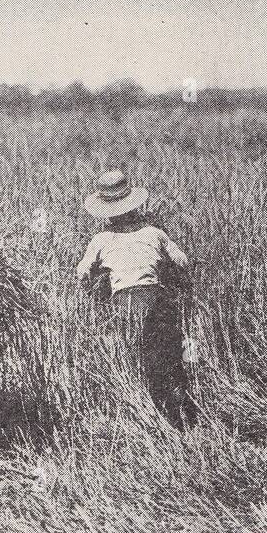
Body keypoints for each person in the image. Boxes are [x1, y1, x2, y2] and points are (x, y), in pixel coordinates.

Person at [77, 170, 193, 427]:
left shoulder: (101, 239)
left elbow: (82, 271)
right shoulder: (154, 232)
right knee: (171, 356)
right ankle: (185, 411)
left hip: (126, 303)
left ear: (106, 210)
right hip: (157, 299)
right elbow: (182, 261)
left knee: (138, 360)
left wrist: (94, 289)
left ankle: (153, 415)